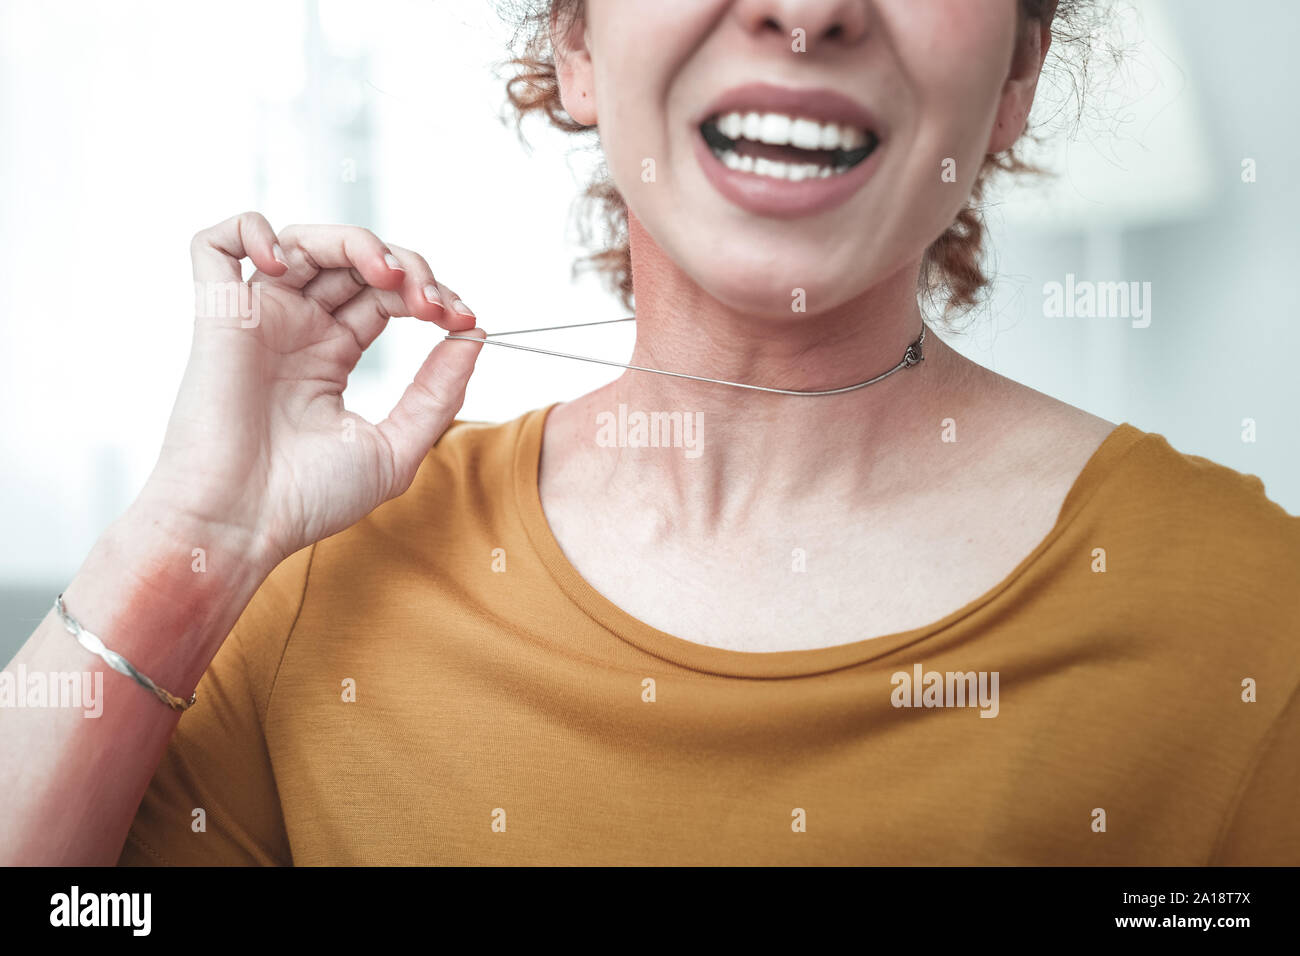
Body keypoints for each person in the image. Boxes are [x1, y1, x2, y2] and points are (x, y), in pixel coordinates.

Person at [2, 0, 1296, 866]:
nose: (809, 11)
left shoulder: (1252, 621)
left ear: (1015, 74)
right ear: (573, 44)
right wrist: (194, 535)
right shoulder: (321, 576)